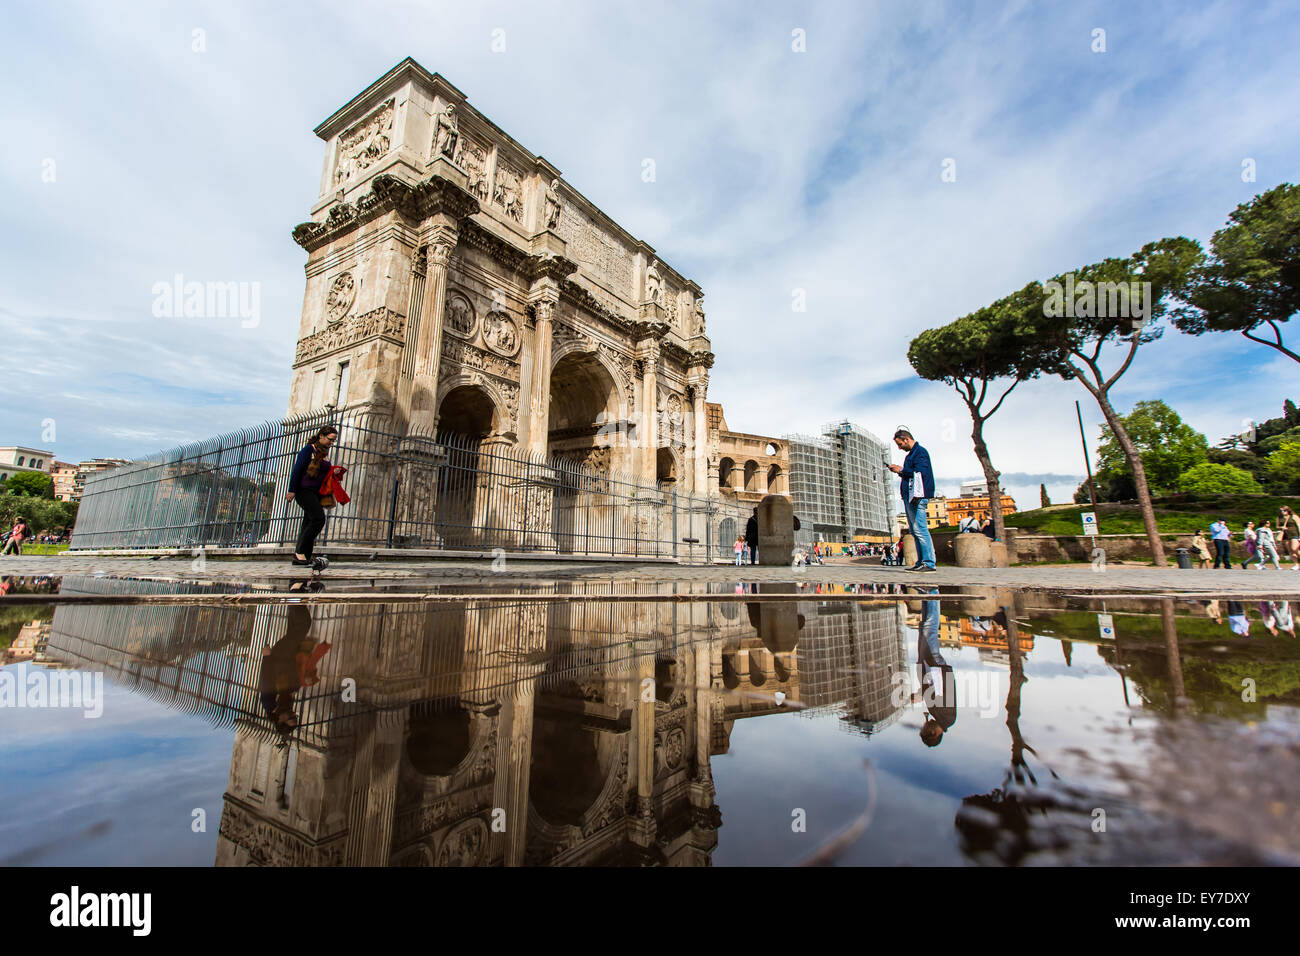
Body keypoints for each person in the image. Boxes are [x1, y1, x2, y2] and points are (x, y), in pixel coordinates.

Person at [286, 424, 339, 566]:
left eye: (334, 440)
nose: (331, 443)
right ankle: (300, 553)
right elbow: (297, 469)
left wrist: (333, 472)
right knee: (318, 519)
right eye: (330, 439)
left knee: (308, 522)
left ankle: (303, 556)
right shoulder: (308, 450)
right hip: (304, 491)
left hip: (316, 492)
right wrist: (292, 490)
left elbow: (322, 472)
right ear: (321, 436)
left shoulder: (323, 454)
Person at [888, 426, 936, 572]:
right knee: (915, 530)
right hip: (910, 497)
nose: (899, 448)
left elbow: (920, 473)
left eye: (900, 444)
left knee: (920, 529)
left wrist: (901, 470)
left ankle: (928, 562)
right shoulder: (911, 455)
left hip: (917, 497)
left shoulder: (920, 453)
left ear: (907, 439)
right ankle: (922, 561)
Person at [1280, 506, 1300, 570]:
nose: (1283, 512)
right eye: (1281, 511)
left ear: (1288, 510)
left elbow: (1299, 525)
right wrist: (1281, 528)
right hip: (1286, 535)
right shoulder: (1281, 518)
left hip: (1294, 534)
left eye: (1284, 510)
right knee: (1290, 551)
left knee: (1294, 549)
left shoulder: (1294, 516)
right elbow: (1278, 526)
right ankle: (1296, 564)